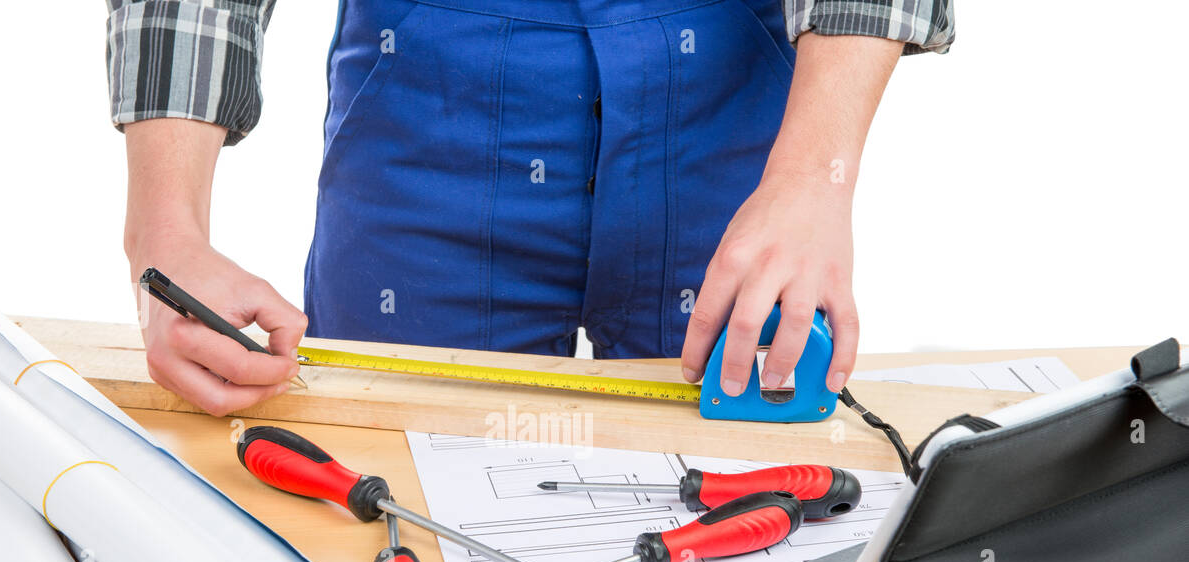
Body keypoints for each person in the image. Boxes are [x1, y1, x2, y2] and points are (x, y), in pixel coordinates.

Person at [106, 0, 953, 415]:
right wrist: (166, 231)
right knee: (388, 539)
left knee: (756, 540)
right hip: (428, 97)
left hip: (735, 107)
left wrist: (816, 176)